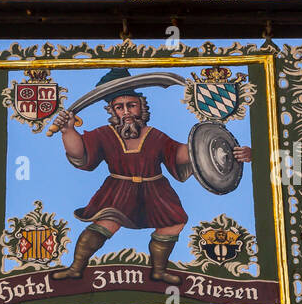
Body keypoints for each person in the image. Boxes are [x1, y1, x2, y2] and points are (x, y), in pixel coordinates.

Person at [49, 70, 250, 284]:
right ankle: (76, 268)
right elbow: (80, 154)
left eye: (131, 105)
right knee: (105, 223)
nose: (126, 112)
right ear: (113, 111)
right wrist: (68, 131)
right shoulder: (104, 134)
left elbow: (186, 153)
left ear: (141, 106)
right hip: (119, 190)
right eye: (120, 107)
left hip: (155, 191)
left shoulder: (155, 136)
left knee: (174, 223)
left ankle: (159, 271)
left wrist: (229, 152)